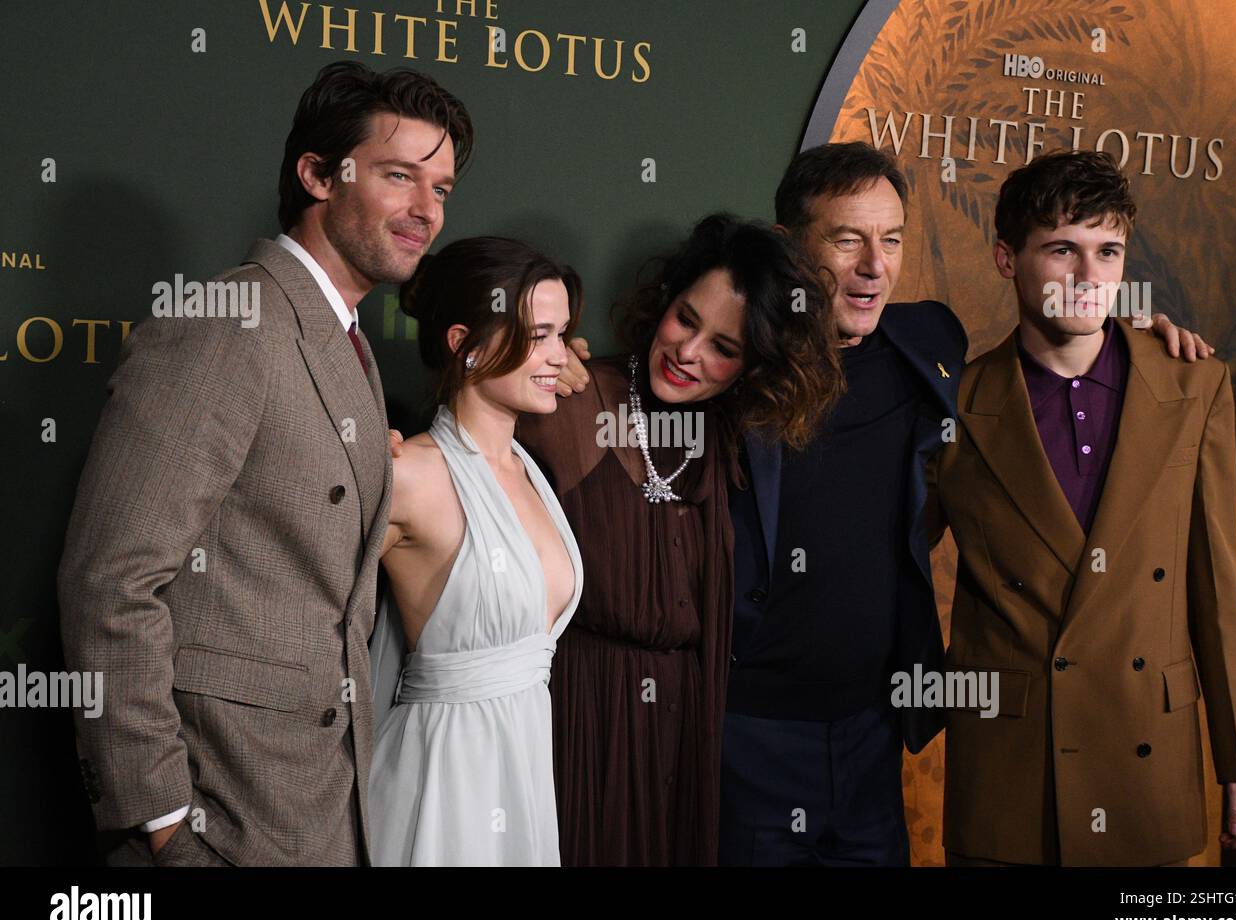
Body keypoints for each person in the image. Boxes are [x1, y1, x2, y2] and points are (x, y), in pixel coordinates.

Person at [715, 142, 1212, 867]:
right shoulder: (729, 367)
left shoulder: (927, 344)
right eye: (848, 239)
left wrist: (1144, 344)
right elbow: (648, 372)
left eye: (890, 240)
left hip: (873, 731)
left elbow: (1079, 331)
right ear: (791, 248)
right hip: (750, 729)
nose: (874, 265)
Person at [57, 60, 472, 866]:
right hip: (221, 822)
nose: (427, 211)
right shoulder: (226, 325)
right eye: (399, 177)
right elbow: (109, 579)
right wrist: (163, 822)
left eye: (444, 189)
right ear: (318, 174)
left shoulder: (346, 346)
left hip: (318, 811)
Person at [934, 149, 1236, 866]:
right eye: (1062, 250)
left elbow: (1220, 587)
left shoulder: (1194, 386)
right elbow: (886, 566)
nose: (1090, 279)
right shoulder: (955, 407)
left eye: (1108, 251)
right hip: (1011, 771)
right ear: (1007, 259)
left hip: (1145, 761)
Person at [516, 213, 844, 865]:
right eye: (686, 319)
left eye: (725, 346)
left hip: (686, 736)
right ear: (665, 298)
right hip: (581, 727)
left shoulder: (728, 438)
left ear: (754, 365)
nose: (689, 353)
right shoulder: (574, 402)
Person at [369, 237, 584, 866]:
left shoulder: (530, 471)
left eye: (563, 333)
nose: (558, 356)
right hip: (441, 777)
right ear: (466, 343)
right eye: (538, 335)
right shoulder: (409, 474)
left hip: (523, 770)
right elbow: (302, 608)